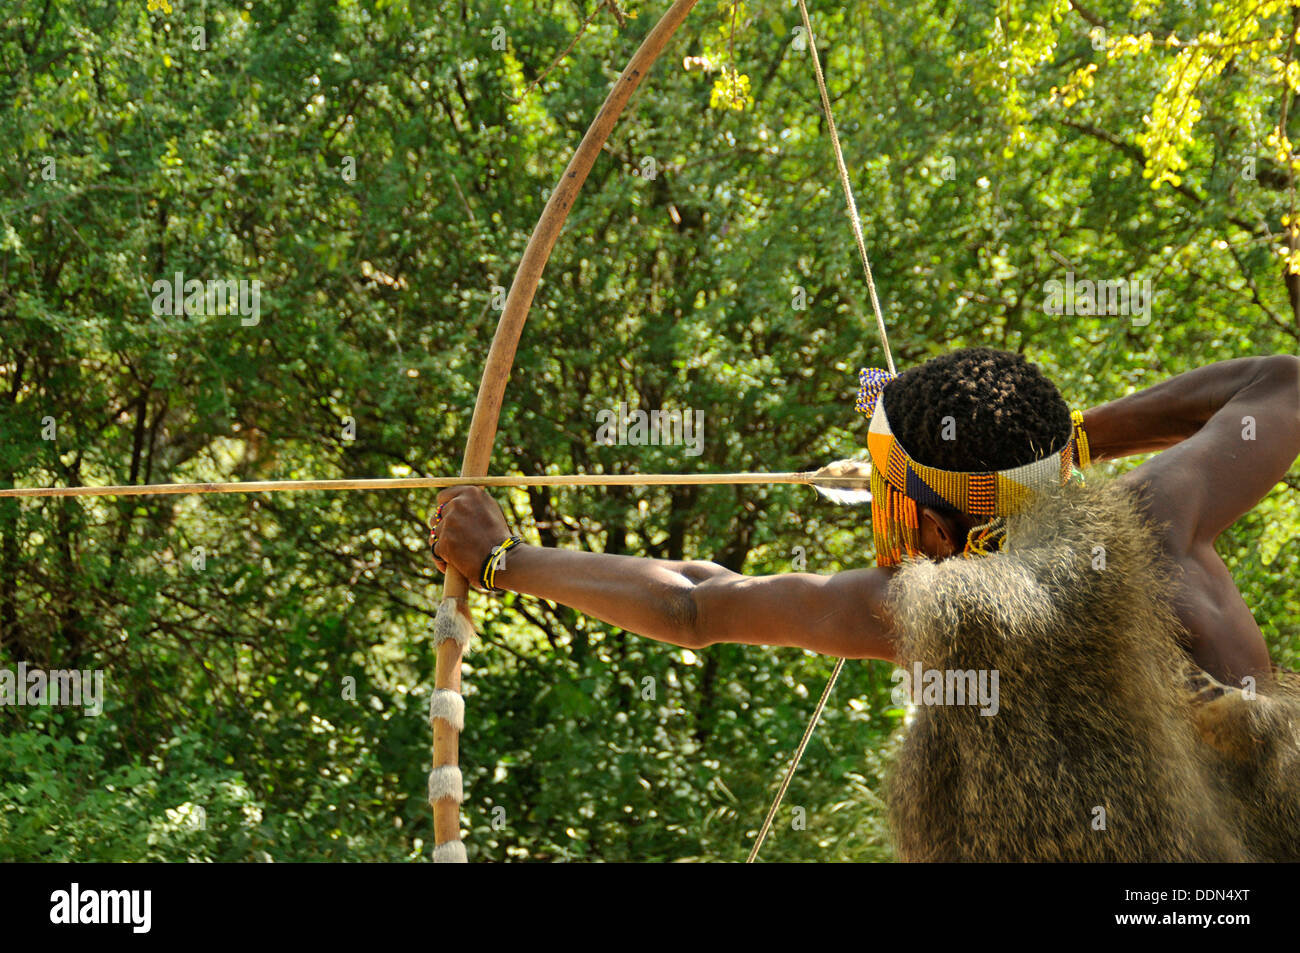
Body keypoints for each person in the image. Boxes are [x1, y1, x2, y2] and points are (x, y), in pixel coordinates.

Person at [430, 348, 1300, 689]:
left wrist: (505, 559)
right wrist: (1061, 447)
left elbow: (699, 603)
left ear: (928, 531)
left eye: (896, 498)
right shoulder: (1160, 512)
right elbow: (1281, 383)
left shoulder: (965, 617)